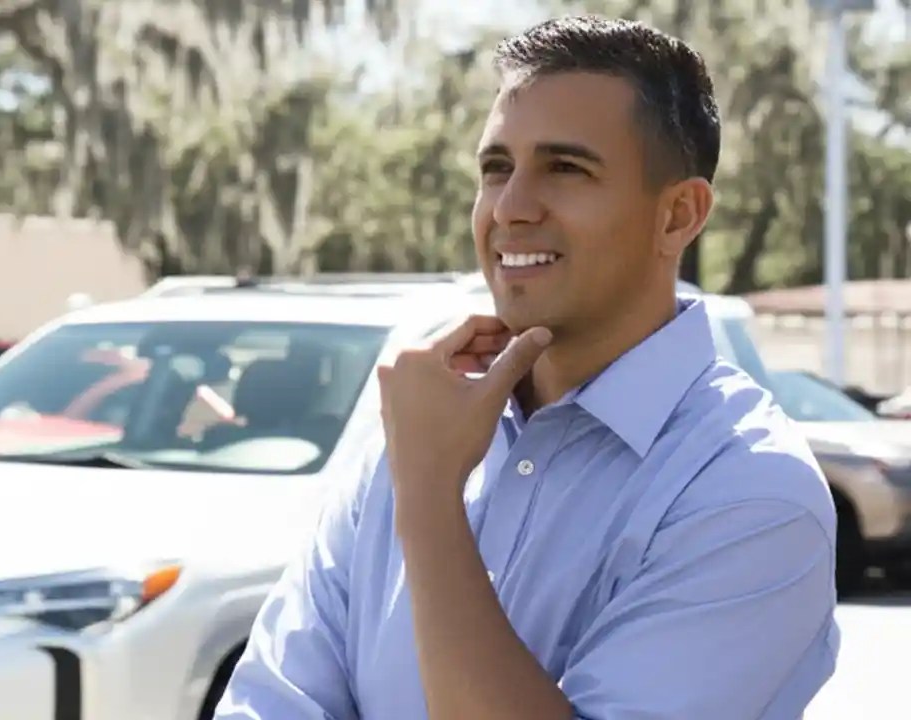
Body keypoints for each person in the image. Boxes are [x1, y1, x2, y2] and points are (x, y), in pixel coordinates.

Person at [215, 15, 838, 720]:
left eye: (565, 168)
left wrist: (427, 499)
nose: (509, 208)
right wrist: (418, 473)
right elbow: (269, 702)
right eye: (495, 169)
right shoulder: (416, 433)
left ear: (678, 216)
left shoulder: (751, 492)